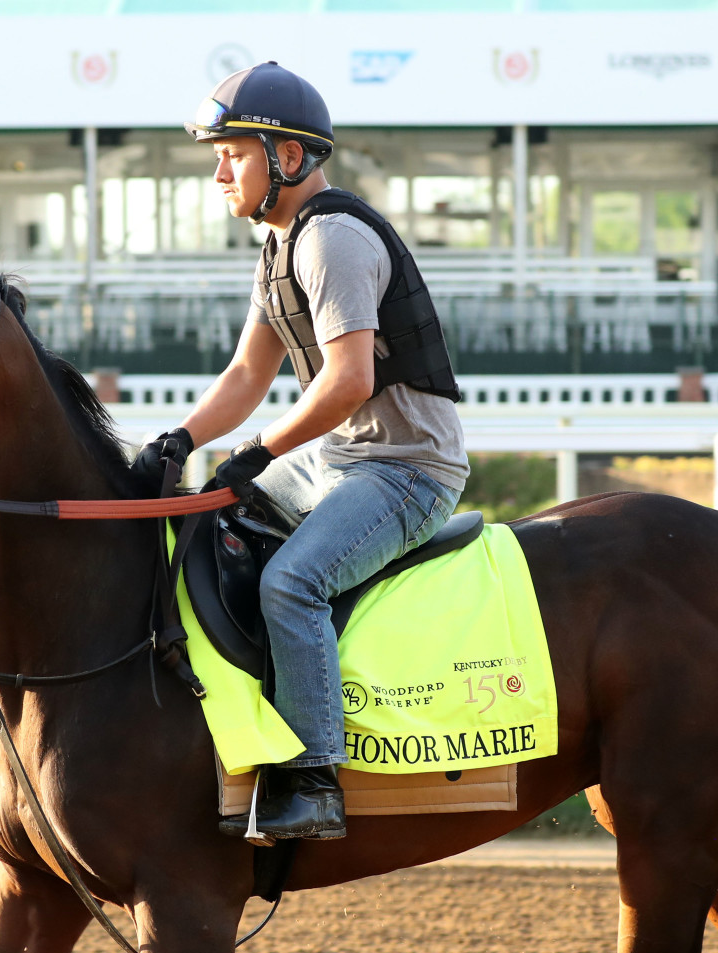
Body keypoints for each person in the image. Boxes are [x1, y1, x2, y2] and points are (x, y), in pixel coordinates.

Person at [131, 62, 469, 842]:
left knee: (291, 584)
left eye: (233, 154)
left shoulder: (334, 242)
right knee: (207, 525)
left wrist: (253, 450)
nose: (219, 173)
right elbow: (250, 373)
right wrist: (182, 441)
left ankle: (313, 777)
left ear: (286, 158)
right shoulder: (280, 247)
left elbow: (347, 381)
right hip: (341, 463)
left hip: (406, 472)